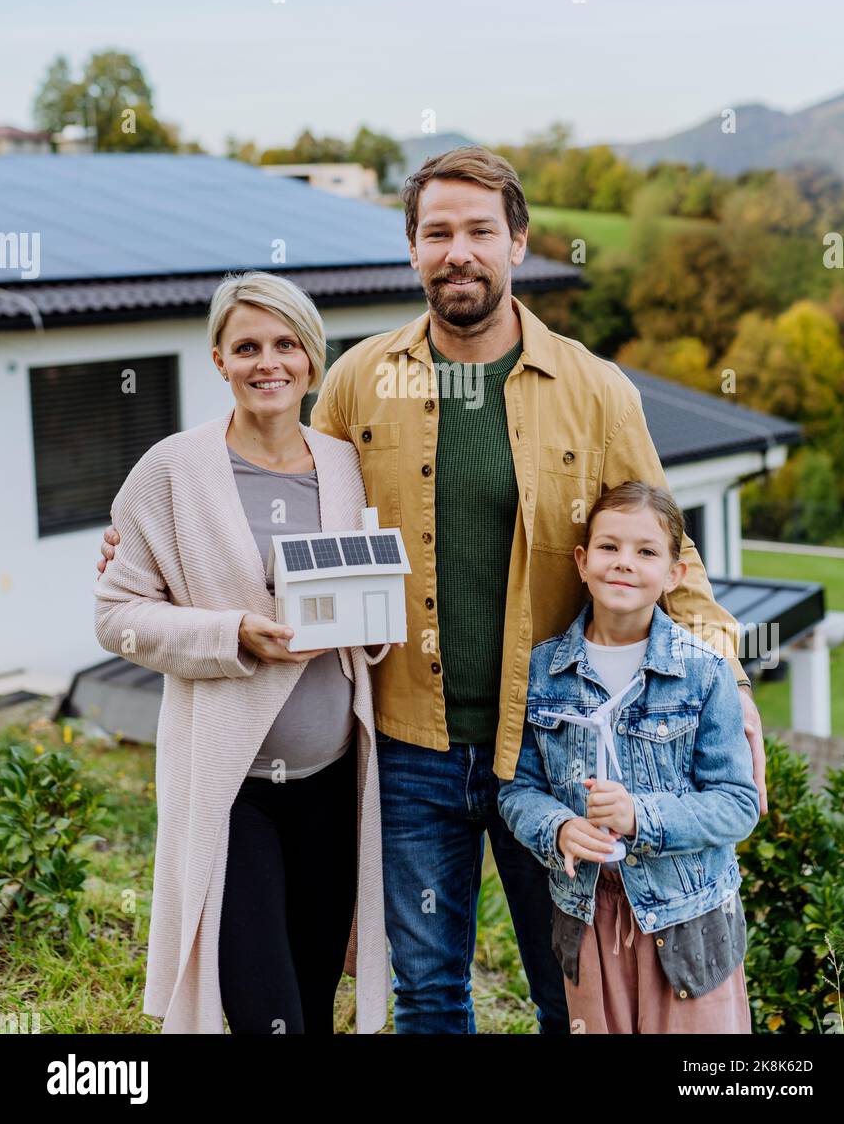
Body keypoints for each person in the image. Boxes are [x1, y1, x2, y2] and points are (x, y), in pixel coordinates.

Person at [99, 144, 767, 1036]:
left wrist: (729, 674)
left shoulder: (595, 390)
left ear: (518, 242)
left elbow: (667, 554)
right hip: (408, 741)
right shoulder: (359, 379)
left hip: (550, 747)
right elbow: (283, 477)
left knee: (564, 992)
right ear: (412, 250)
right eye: (437, 232)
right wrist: (147, 538)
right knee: (429, 996)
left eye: (480, 231)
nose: (459, 251)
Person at [93, 271, 392, 1035]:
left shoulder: (344, 463)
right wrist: (229, 636)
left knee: (316, 1002)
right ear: (219, 360)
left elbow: (366, 598)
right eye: (247, 346)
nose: (269, 362)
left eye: (287, 344)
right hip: (235, 791)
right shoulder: (172, 472)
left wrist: (373, 627)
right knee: (268, 1014)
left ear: (312, 362)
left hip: (332, 780)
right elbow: (117, 615)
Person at [497, 479, 760, 1034]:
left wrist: (642, 816)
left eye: (646, 552)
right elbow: (517, 789)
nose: (623, 563)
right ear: (581, 560)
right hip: (588, 916)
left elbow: (738, 804)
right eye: (608, 547)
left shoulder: (704, 672)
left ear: (673, 575)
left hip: (688, 918)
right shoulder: (541, 672)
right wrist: (560, 828)